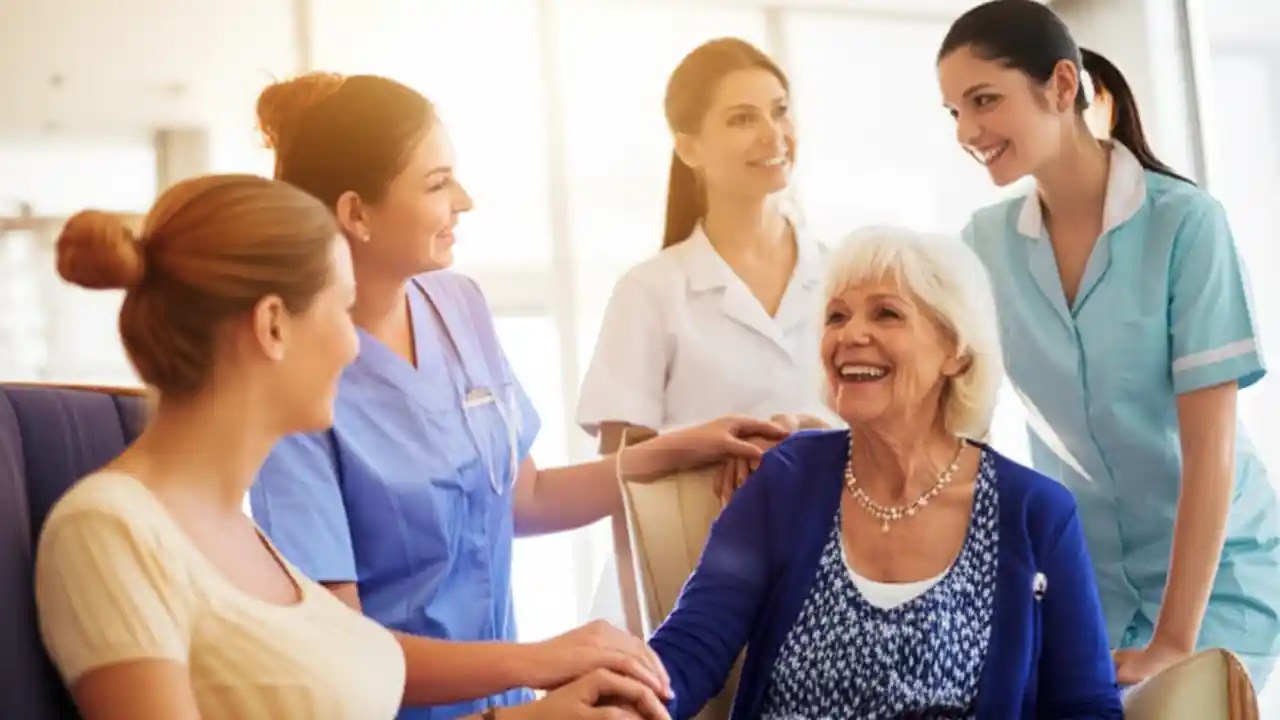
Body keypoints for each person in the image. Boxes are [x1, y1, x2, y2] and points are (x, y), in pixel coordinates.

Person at [248, 73, 786, 720]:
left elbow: (522, 499)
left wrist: (674, 451)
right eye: (437, 182)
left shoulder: (458, 305)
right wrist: (538, 660)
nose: (465, 200)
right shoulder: (293, 385)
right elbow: (342, 651)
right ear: (356, 212)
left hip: (512, 704)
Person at [34, 175, 671, 720]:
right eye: (343, 312)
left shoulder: (242, 539)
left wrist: (532, 692)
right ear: (274, 326)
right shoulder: (110, 530)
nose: (353, 344)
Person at [936, 0, 1280, 687]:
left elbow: (1209, 450)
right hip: (1081, 585)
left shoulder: (1186, 226)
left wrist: (1174, 642)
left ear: (1063, 86)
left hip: (1217, 584)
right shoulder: (983, 244)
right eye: (954, 113)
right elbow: (952, 420)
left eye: (984, 101)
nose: (968, 131)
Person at [644, 226, 1122, 719]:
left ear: (956, 352)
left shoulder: (1036, 512)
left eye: (886, 313)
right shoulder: (785, 481)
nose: (850, 335)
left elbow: (1083, 706)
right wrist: (623, 700)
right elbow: (689, 650)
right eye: (836, 316)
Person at [575, 37, 833, 629]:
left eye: (780, 109)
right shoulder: (651, 291)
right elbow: (620, 481)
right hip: (694, 590)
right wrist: (646, 628)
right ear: (688, 146)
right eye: (743, 118)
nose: (773, 133)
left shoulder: (844, 275)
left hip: (839, 580)